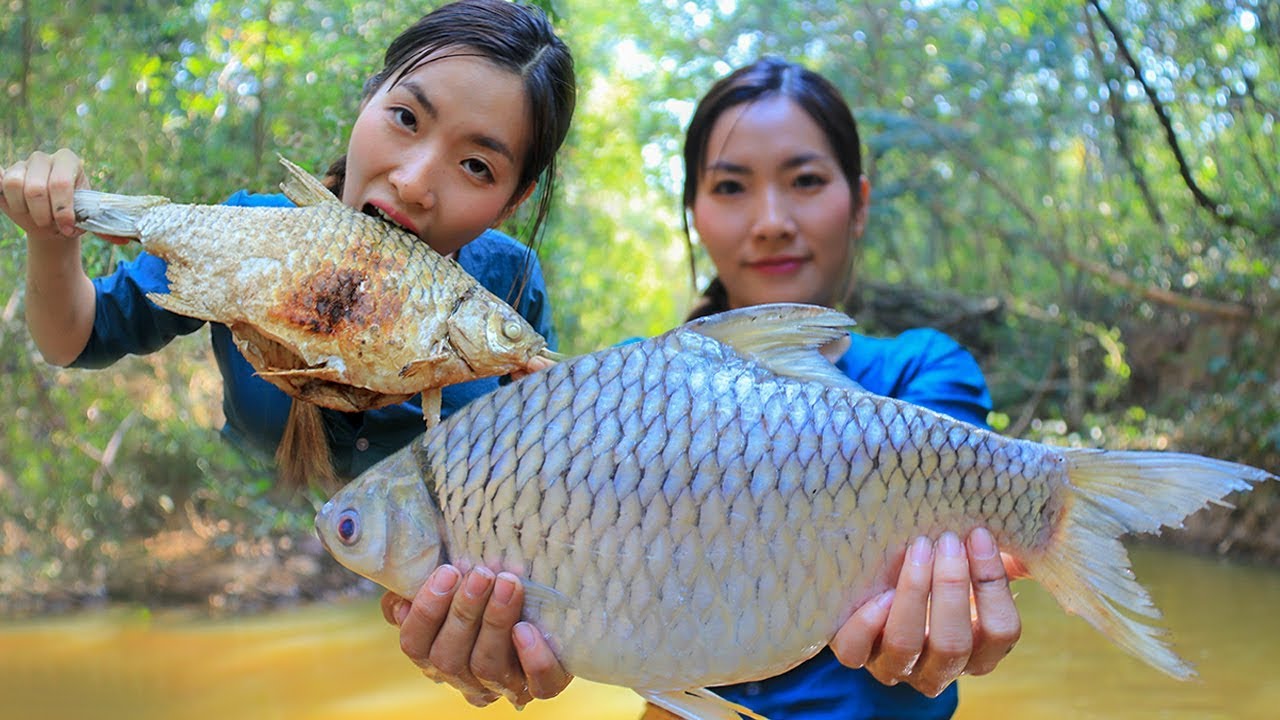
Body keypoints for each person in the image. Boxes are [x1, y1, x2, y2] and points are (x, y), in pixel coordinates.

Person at [380, 56, 1022, 719]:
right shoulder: (616, 392)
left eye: (804, 180)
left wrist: (960, 610)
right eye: (731, 187)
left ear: (857, 204)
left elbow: (962, 524)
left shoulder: (922, 372)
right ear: (694, 212)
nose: (770, 219)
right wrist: (490, 645)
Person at [0, 0, 576, 488]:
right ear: (367, 102)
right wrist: (51, 236)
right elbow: (79, 338)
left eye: (476, 165)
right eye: (405, 117)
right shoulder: (251, 228)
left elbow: (524, 478)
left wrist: (550, 430)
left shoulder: (511, 287)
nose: (413, 182)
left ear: (511, 201)